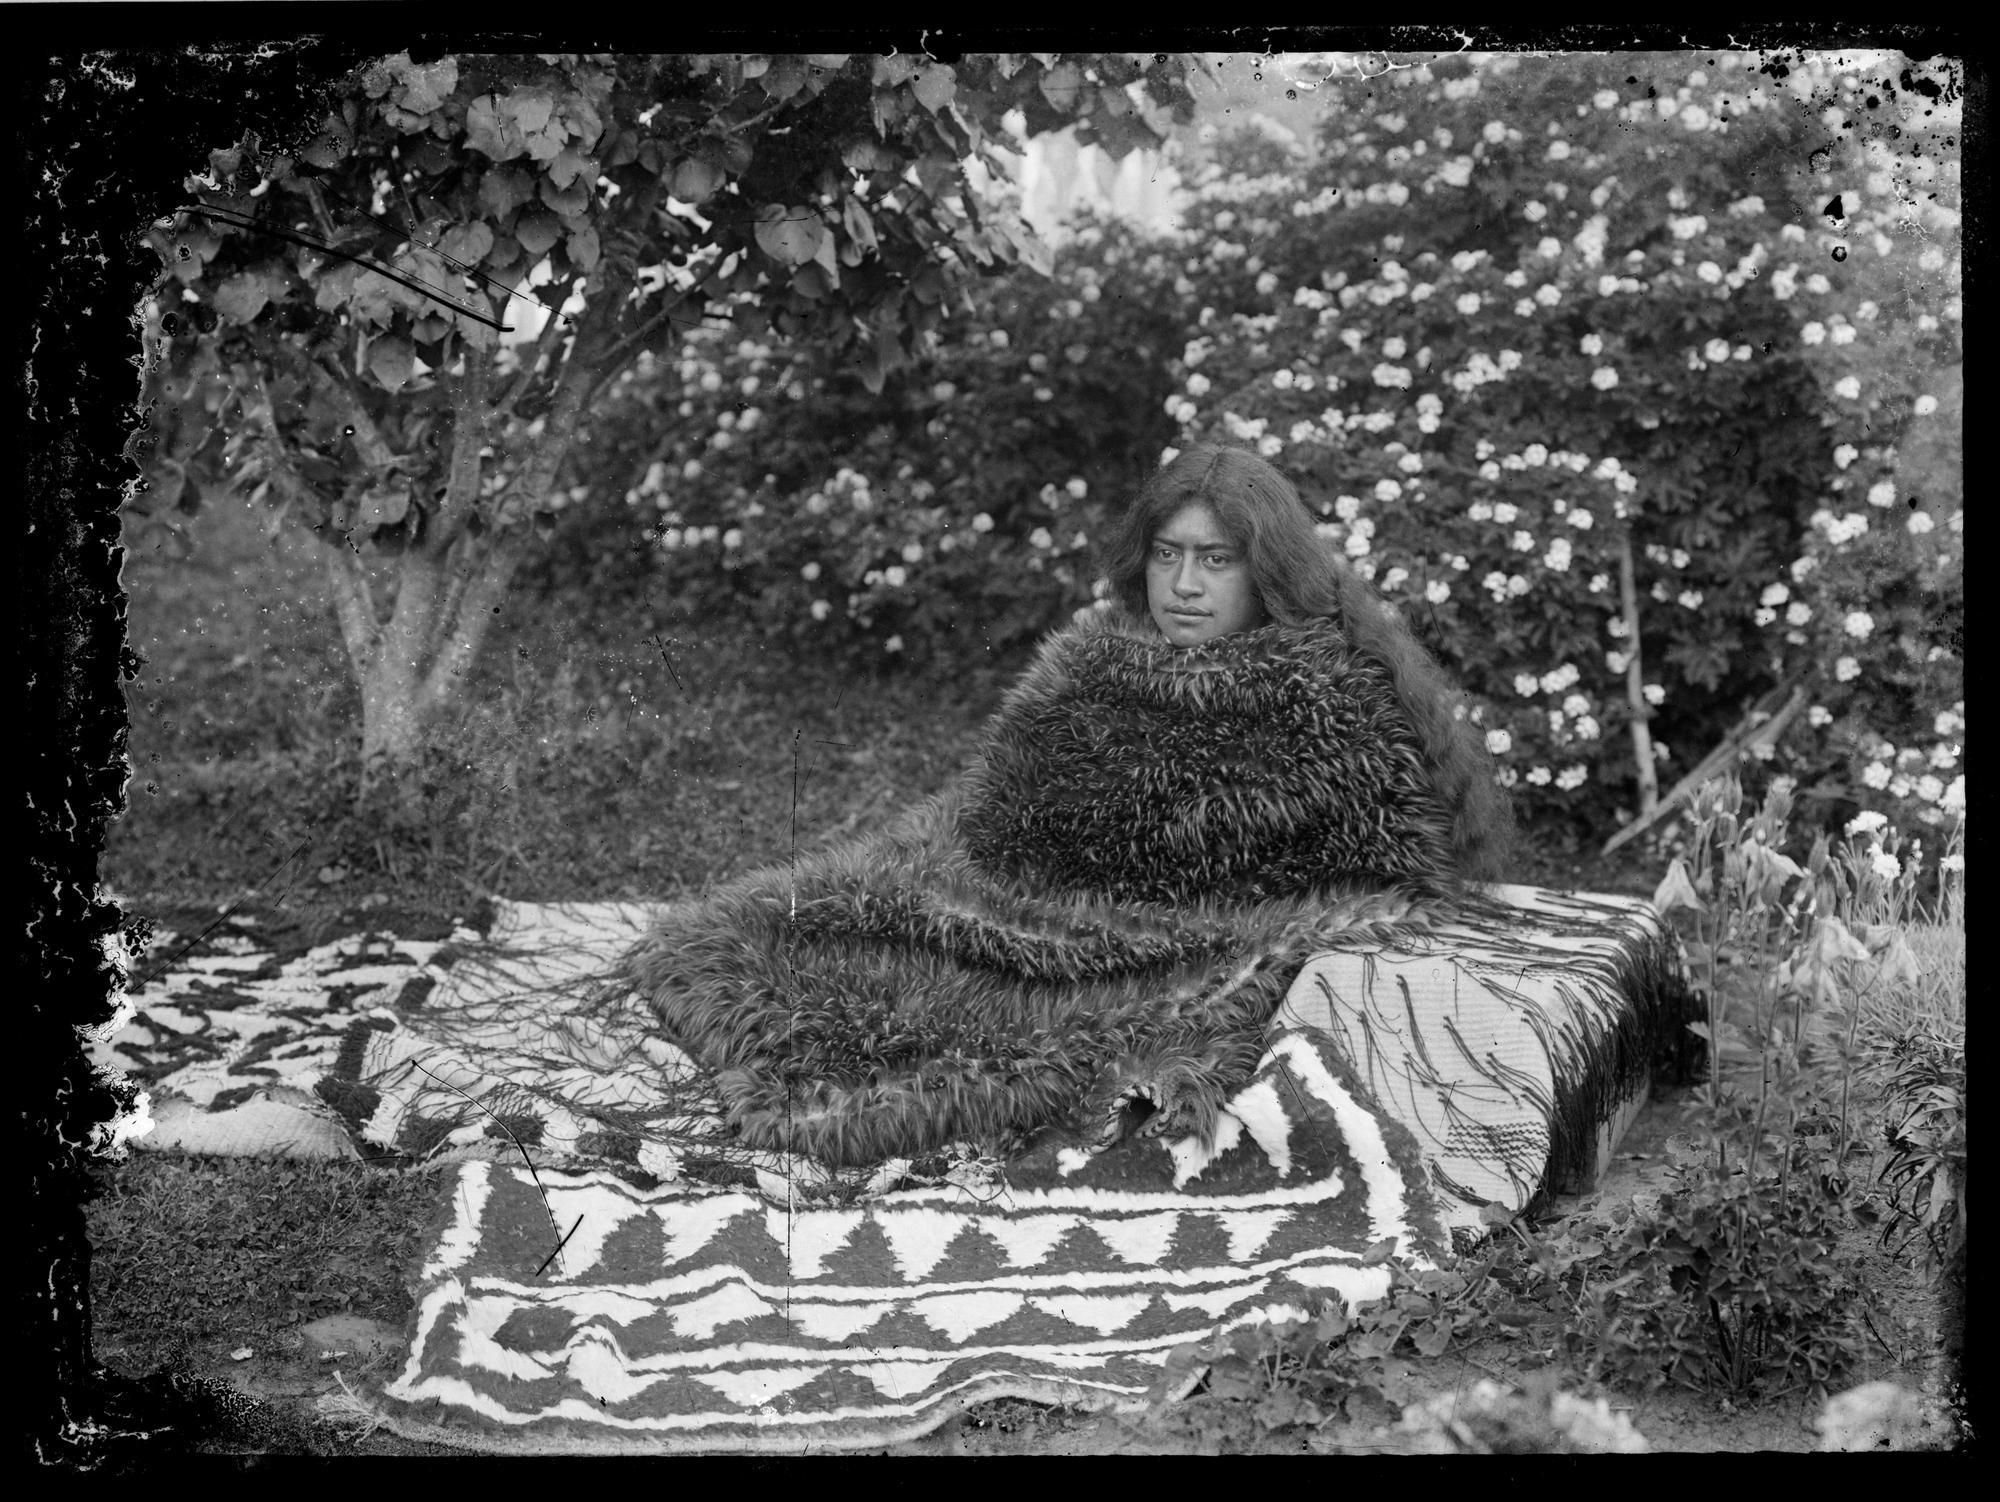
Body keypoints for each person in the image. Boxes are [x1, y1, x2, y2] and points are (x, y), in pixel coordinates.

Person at [1094, 442, 1517, 883]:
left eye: (1215, 559)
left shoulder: (1334, 712)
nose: (1184, 584)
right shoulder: (1096, 683)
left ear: (1266, 572)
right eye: (1166, 554)